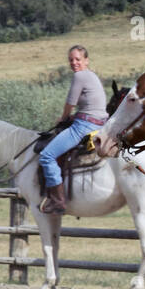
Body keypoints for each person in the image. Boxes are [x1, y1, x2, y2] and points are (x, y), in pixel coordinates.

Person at [39, 45, 108, 214]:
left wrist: (63, 118)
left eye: (78, 59)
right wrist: (73, 116)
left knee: (46, 156)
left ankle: (57, 201)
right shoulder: (92, 75)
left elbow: (70, 103)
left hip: (84, 126)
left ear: (86, 60)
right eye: (71, 60)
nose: (74, 63)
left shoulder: (80, 76)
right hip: (100, 123)